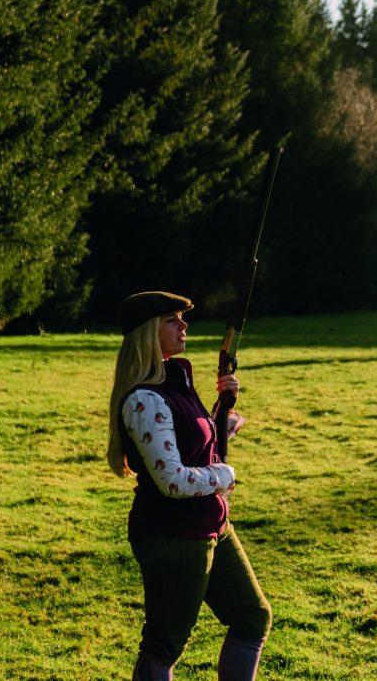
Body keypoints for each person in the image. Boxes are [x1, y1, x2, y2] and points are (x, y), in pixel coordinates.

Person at [106, 291, 271, 681]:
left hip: (211, 526)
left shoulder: (174, 377)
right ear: (148, 333)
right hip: (172, 535)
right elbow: (172, 480)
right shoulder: (144, 397)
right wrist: (225, 475)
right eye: (172, 319)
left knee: (252, 618)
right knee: (164, 646)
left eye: (181, 317)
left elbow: (186, 443)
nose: (183, 325)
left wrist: (219, 419)